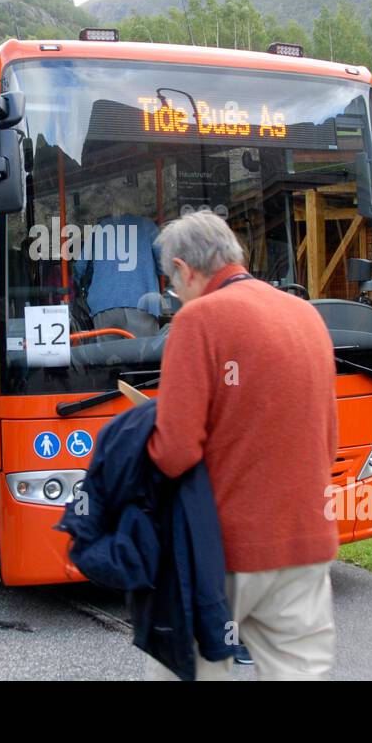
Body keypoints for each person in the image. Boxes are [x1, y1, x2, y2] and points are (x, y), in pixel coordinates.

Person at [145, 210, 340, 680]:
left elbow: (175, 452)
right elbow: (327, 437)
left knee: (185, 670)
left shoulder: (198, 321)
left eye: (174, 284)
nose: (177, 295)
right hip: (305, 541)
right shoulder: (306, 314)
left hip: (221, 550)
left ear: (185, 270)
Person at [76, 210, 162, 337]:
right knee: (144, 354)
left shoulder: (99, 228)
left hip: (103, 305)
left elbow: (80, 267)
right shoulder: (147, 226)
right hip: (142, 303)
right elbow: (165, 263)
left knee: (108, 356)